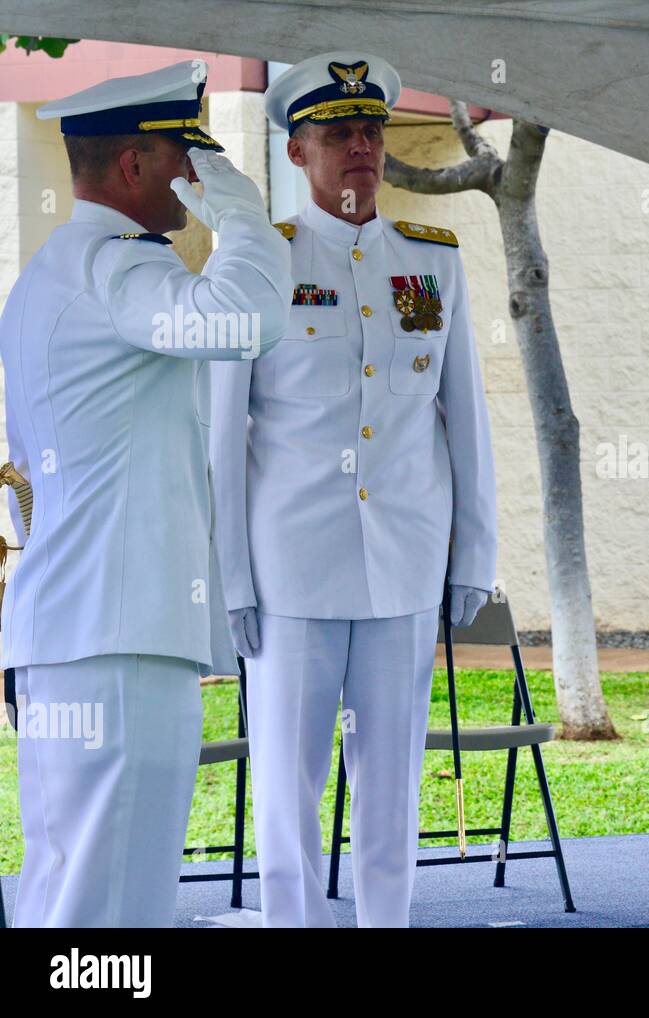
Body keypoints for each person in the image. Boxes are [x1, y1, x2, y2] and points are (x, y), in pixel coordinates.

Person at [210, 51, 497, 927]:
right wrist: (229, 580)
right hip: (291, 571)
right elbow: (223, 437)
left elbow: (466, 421)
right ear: (297, 153)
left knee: (392, 789)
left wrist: (472, 558)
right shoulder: (260, 266)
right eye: (337, 133)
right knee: (288, 794)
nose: (361, 147)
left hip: (402, 567)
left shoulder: (433, 265)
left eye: (370, 130)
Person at [0, 60, 290, 927]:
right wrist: (238, 207)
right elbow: (248, 319)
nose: (191, 181)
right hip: (116, 640)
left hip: (78, 630)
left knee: (70, 891)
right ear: (134, 167)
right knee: (113, 900)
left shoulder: (56, 269)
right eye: (184, 159)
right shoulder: (117, 271)